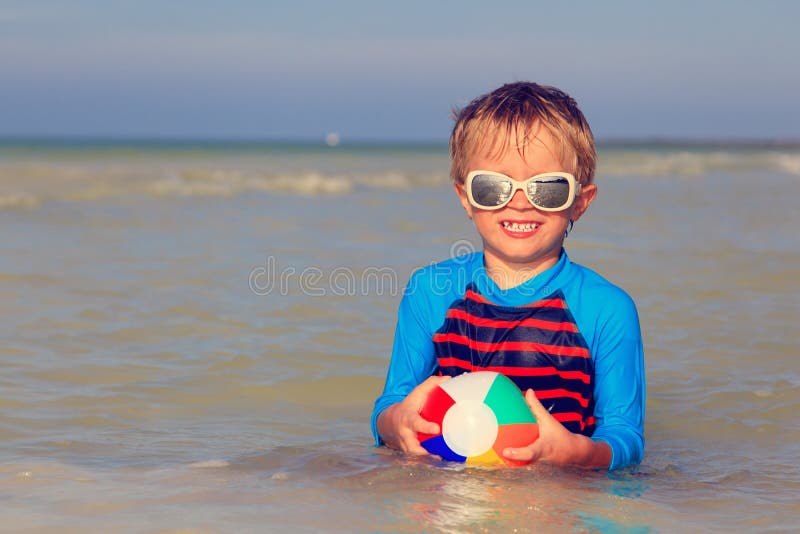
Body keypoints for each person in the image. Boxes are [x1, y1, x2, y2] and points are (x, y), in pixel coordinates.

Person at [371, 82, 645, 470]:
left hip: (555, 494)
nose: (519, 202)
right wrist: (396, 423)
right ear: (465, 197)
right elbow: (390, 407)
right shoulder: (430, 292)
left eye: (547, 188)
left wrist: (575, 453)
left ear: (580, 203)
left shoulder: (607, 309)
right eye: (493, 187)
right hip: (453, 487)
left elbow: (625, 437)